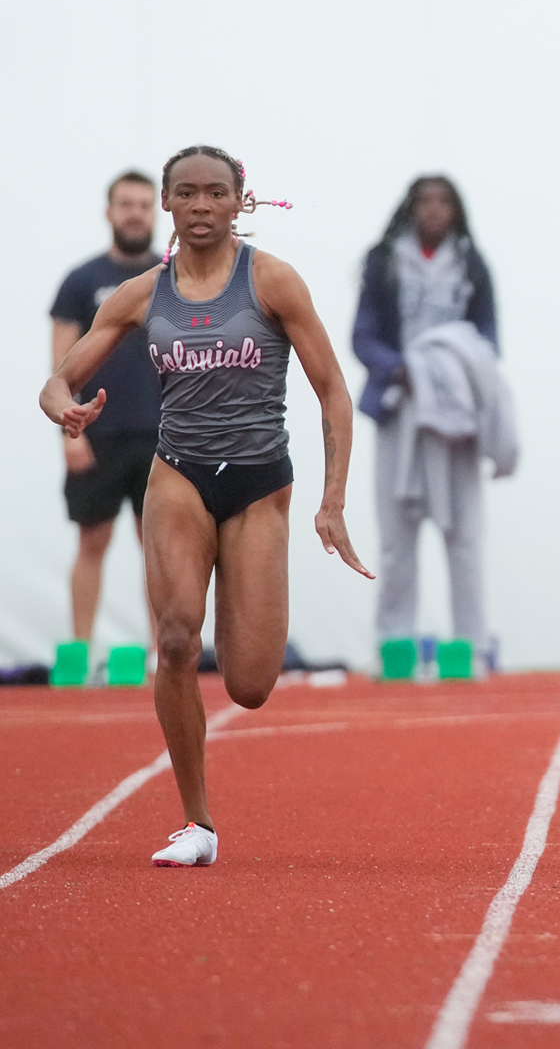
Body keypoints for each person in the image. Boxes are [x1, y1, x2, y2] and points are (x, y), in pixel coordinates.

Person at [39, 145, 372, 867]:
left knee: (250, 683)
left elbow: (333, 392)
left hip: (257, 483)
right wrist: (64, 408)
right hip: (178, 476)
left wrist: (332, 500)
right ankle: (197, 823)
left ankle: (241, 621)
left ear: (237, 201)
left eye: (214, 194)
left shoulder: (273, 281)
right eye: (185, 193)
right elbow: (60, 377)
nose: (199, 206)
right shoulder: (140, 294)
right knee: (179, 640)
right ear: (167, 204)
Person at [351, 176, 503, 664]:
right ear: (410, 208)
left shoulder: (472, 264)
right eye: (425, 201)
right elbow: (363, 335)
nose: (434, 210)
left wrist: (453, 370)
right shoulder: (384, 261)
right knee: (397, 530)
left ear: (457, 210)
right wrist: (401, 369)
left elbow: (489, 337)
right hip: (401, 407)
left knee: (464, 530)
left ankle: (473, 643)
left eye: (444, 202)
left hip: (456, 415)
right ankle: (393, 642)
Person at [48, 171, 162, 649]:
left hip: (163, 437)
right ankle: (80, 650)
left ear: (156, 212)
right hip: (95, 433)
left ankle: (165, 655)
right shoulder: (81, 281)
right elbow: (61, 366)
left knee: (158, 550)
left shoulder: (172, 276)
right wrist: (68, 436)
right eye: (126, 203)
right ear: (109, 212)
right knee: (91, 542)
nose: (135, 212)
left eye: (144, 203)